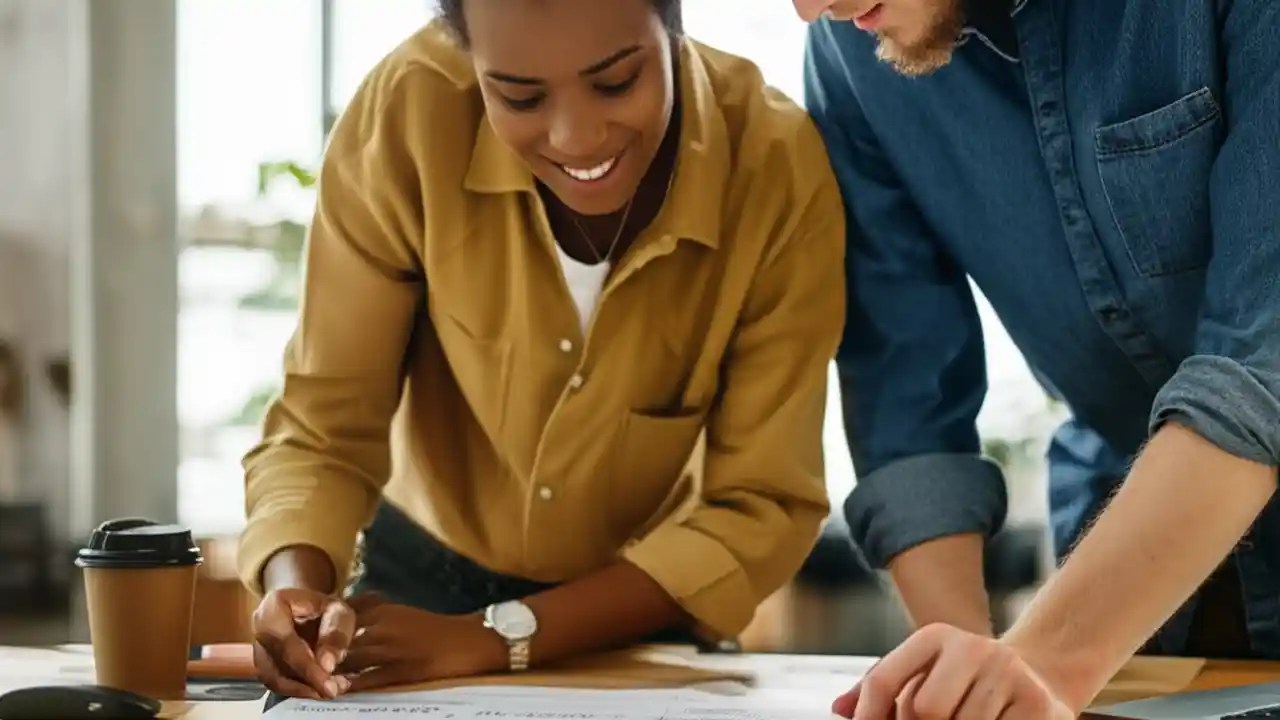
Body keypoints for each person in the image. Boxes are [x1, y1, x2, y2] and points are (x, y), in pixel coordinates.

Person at [240, 0, 846, 701]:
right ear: (465, 51)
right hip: (414, 598)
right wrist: (297, 595)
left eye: (618, 82)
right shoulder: (408, 113)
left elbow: (762, 503)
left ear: (674, 23)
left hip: (638, 608)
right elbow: (324, 425)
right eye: (518, 96)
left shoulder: (773, 164)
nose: (577, 136)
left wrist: (501, 636)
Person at [794, 0, 1280, 717]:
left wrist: (1042, 663)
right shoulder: (847, 54)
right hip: (1148, 612)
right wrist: (966, 684)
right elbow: (908, 406)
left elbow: (1263, 361)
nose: (809, 8)